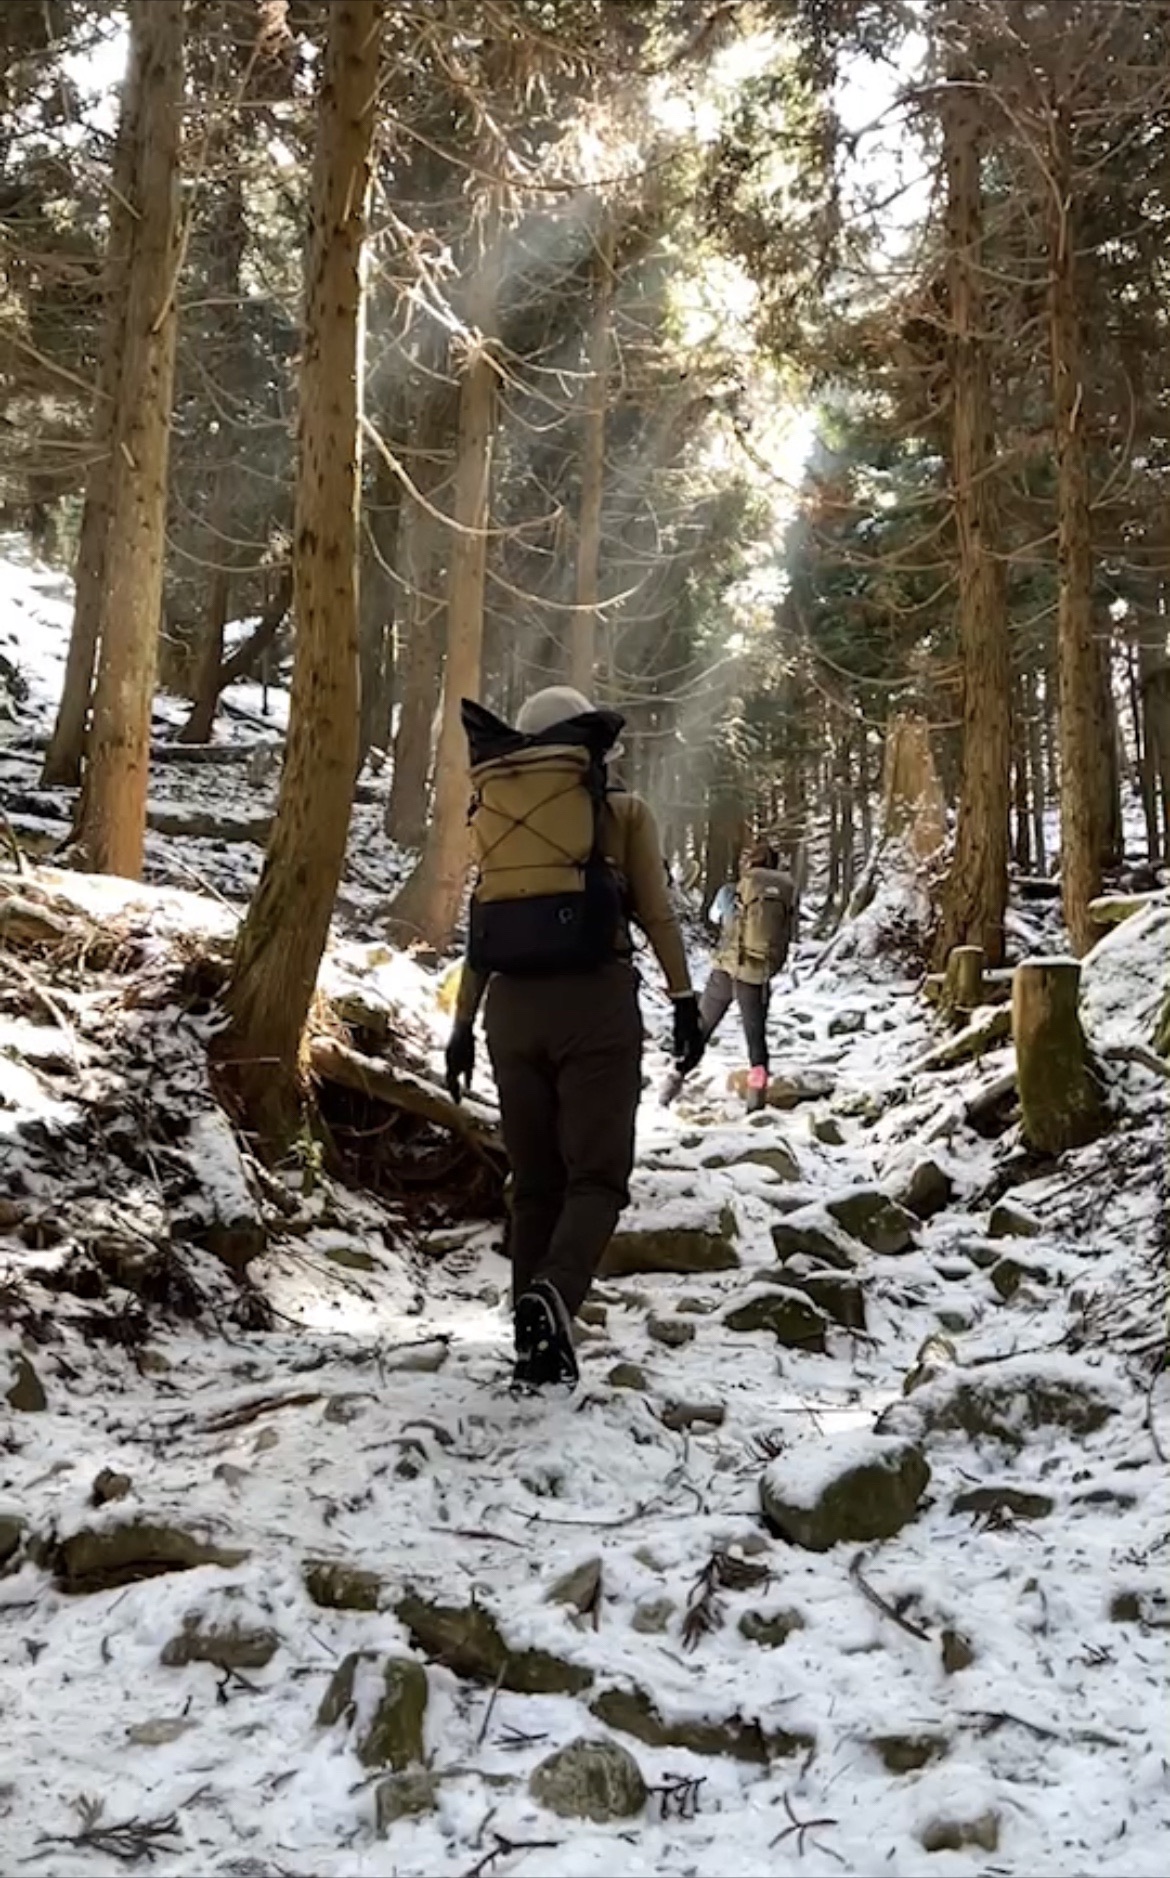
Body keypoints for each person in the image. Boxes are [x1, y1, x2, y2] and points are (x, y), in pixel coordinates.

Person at [444, 685, 704, 1392]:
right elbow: (657, 914)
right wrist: (684, 1000)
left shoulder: (498, 809)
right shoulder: (622, 811)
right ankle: (553, 1297)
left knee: (534, 1185)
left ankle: (536, 1351)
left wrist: (462, 1026)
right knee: (597, 1178)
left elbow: (483, 928)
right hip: (594, 1003)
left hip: (508, 1010)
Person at [664, 839, 796, 1113]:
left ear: (748, 865)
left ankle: (673, 1082)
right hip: (756, 976)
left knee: (701, 1030)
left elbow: (714, 917)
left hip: (725, 971)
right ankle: (756, 1101)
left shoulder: (730, 891)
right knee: (755, 1040)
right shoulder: (785, 891)